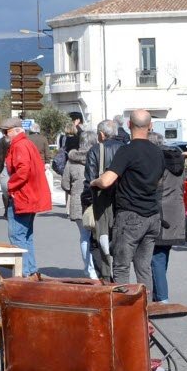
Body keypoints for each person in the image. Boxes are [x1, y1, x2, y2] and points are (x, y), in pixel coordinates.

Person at [92, 110, 163, 288]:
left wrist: (95, 181)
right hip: (153, 216)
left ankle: (123, 304)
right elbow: (158, 181)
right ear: (150, 126)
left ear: (129, 125)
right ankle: (145, 303)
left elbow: (106, 181)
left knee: (121, 267)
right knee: (144, 268)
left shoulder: (127, 151)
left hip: (130, 215)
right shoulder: (157, 152)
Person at [1, 115, 53, 277]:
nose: (4, 135)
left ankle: (23, 272)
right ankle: (30, 270)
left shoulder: (19, 145)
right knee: (26, 235)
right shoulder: (27, 143)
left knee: (17, 235)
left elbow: (23, 170)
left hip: (22, 196)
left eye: (6, 132)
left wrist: (10, 186)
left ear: (16, 131)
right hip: (30, 195)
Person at [84, 119, 125, 280]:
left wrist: (87, 202)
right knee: (119, 239)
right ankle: (119, 275)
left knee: (98, 241)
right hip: (122, 200)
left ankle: (105, 277)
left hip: (101, 201)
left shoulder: (95, 150)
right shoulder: (125, 148)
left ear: (101, 134)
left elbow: (90, 180)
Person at [151, 138, 187, 302]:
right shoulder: (179, 160)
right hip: (176, 210)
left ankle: (161, 297)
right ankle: (158, 293)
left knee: (156, 257)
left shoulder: (157, 161)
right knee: (163, 254)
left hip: (160, 210)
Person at [61, 142, 97, 278]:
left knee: (84, 236)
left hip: (77, 203)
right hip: (95, 202)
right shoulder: (97, 156)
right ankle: (97, 268)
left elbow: (65, 184)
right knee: (97, 237)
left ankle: (88, 268)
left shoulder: (71, 161)